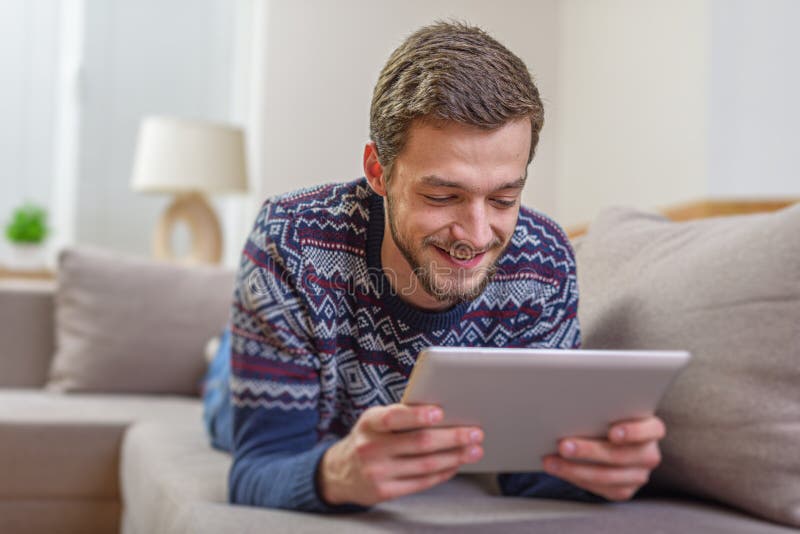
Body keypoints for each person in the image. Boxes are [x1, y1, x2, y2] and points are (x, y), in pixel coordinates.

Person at [203, 21, 665, 512]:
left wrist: (597, 468)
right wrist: (338, 473)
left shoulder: (544, 261)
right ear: (378, 171)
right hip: (256, 380)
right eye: (443, 196)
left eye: (505, 198)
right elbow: (257, 468)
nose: (477, 234)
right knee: (221, 406)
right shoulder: (291, 240)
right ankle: (221, 352)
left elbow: (526, 473)